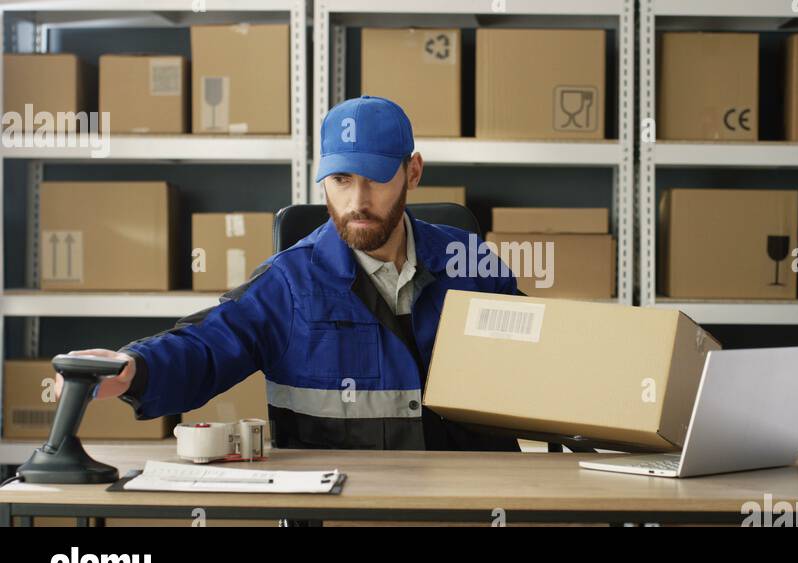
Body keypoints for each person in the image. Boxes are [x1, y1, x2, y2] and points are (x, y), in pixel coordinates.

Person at [55, 95, 521, 451]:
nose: (357, 201)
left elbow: (535, 362)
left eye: (376, 180)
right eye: (341, 180)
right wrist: (135, 368)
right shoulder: (290, 283)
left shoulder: (470, 260)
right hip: (346, 508)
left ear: (413, 172)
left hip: (471, 504)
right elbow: (208, 346)